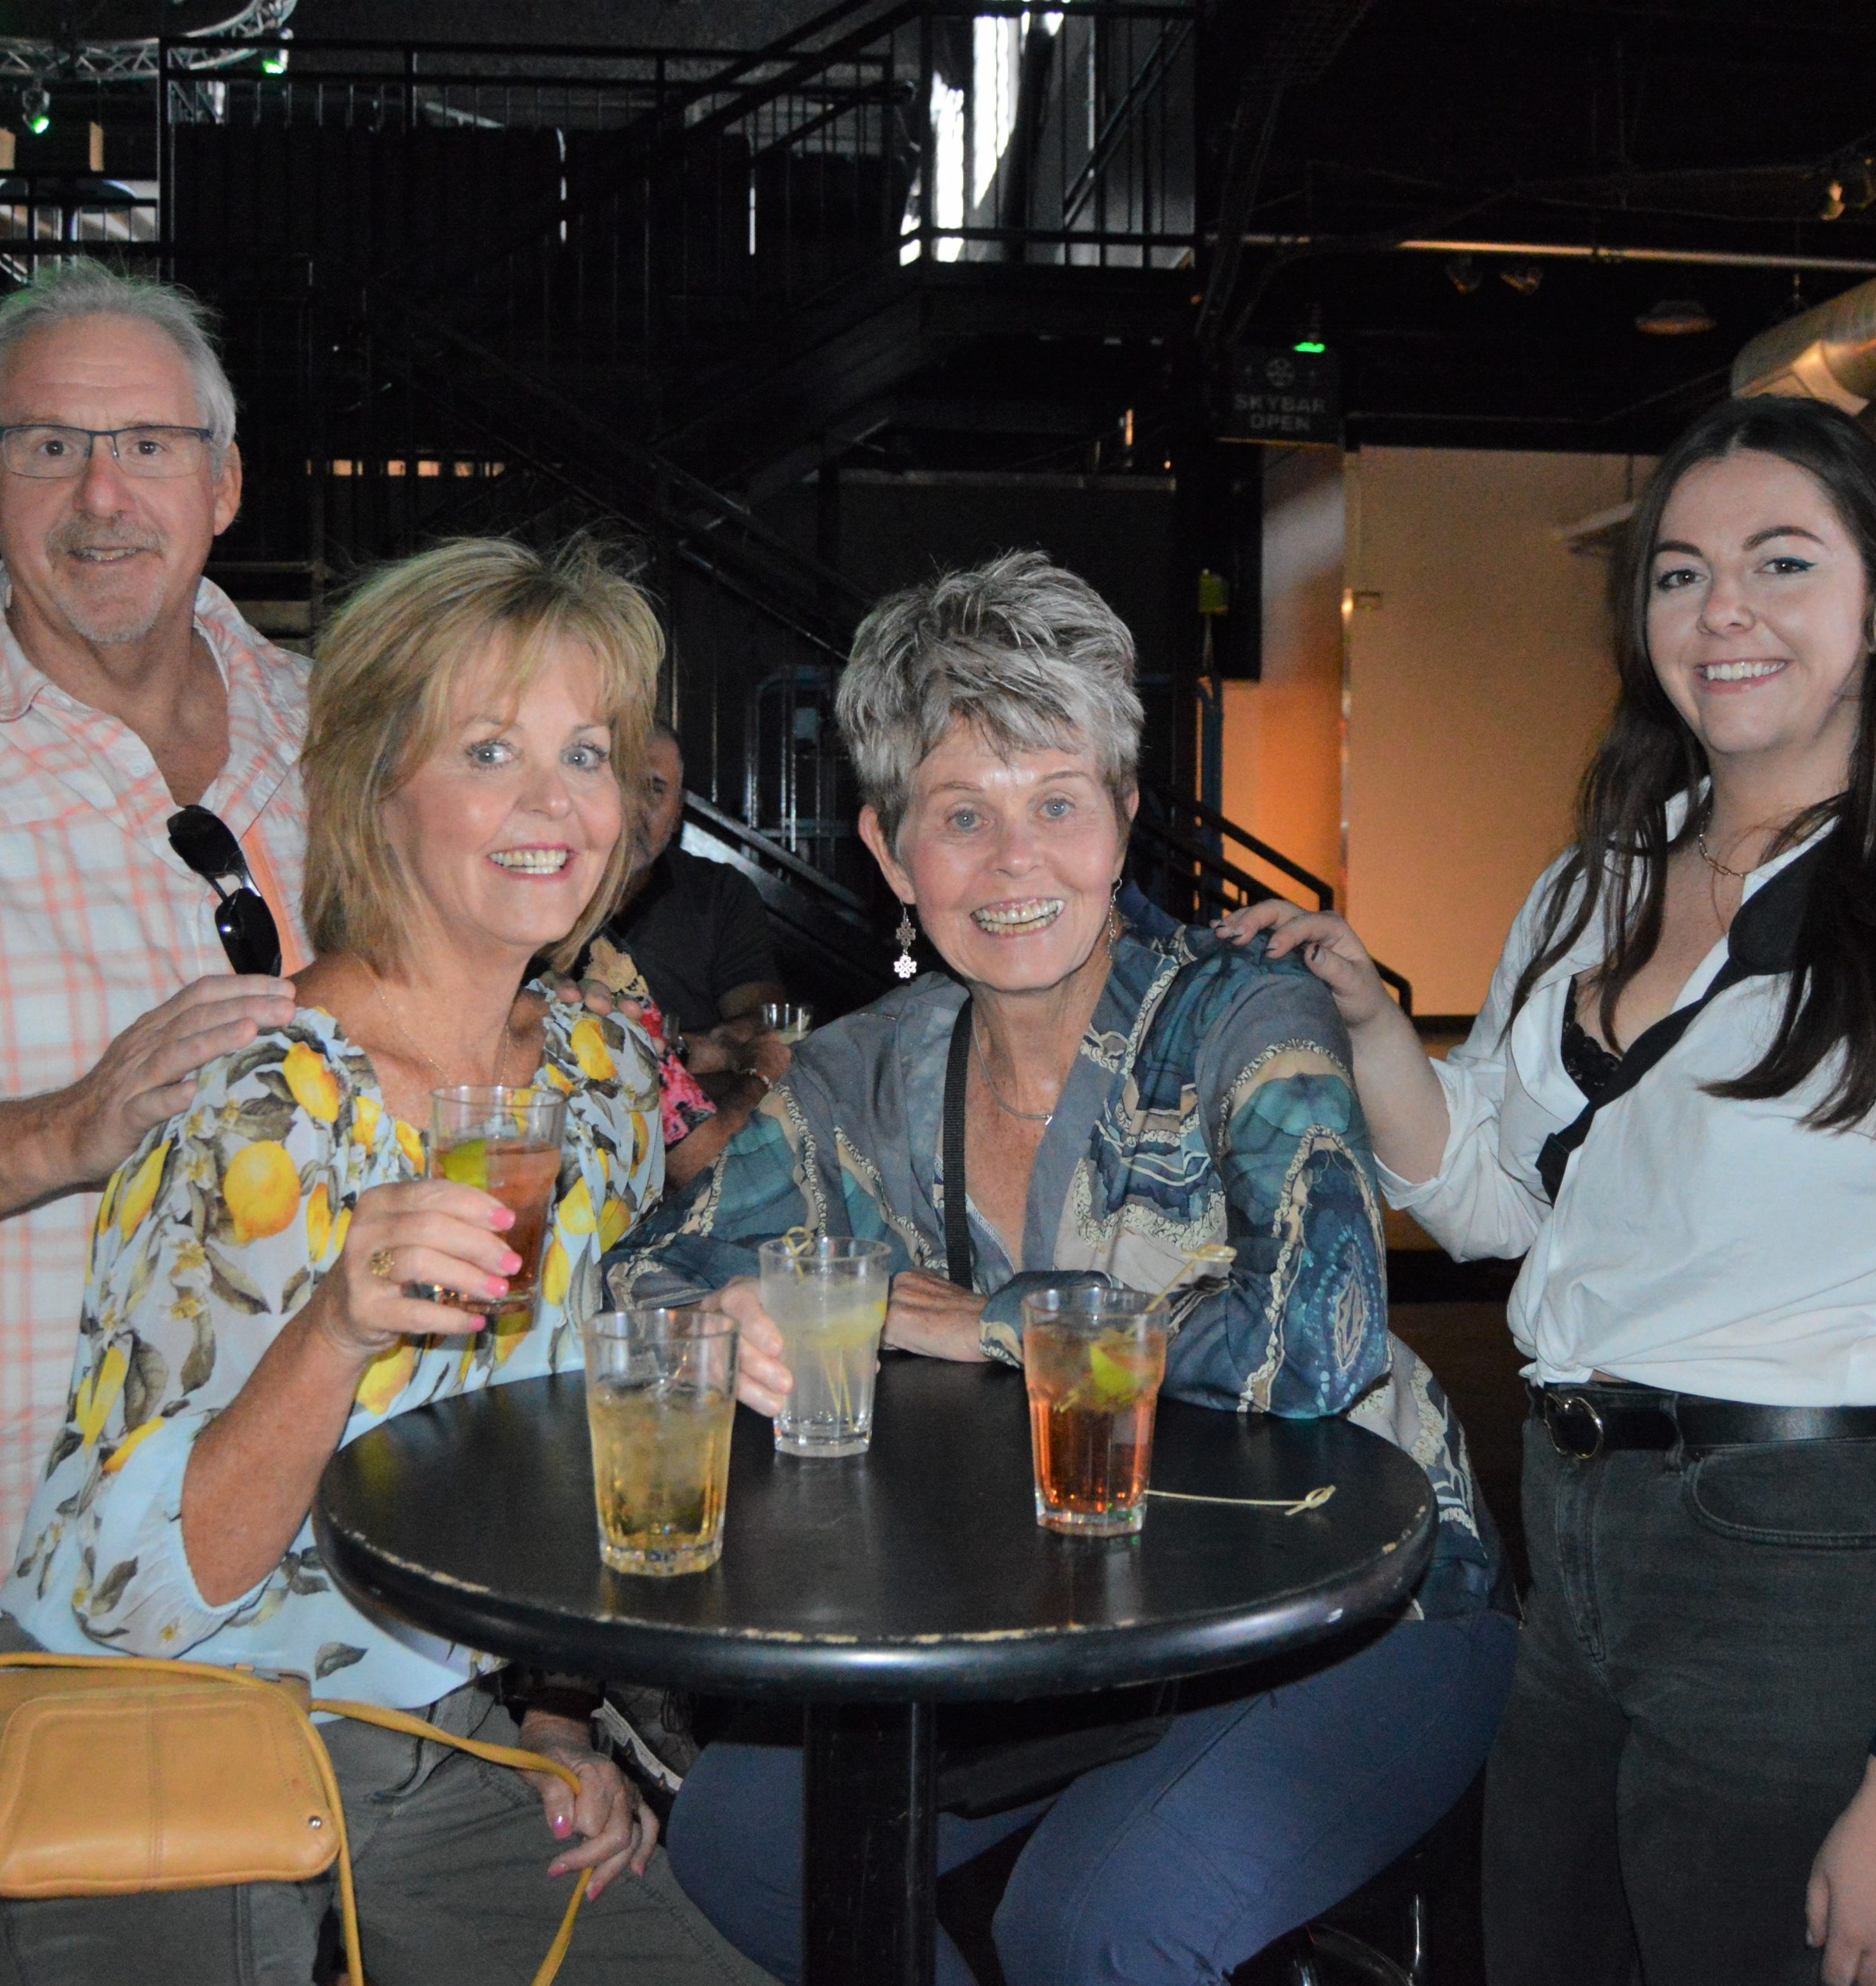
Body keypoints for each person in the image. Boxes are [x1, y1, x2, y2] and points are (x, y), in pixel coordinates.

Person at [607, 552, 1518, 1986]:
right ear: (893, 856)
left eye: (1056, 804)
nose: (1015, 861)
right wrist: (724, 1313)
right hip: (1046, 1627)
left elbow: (1320, 1336)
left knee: (1093, 1926)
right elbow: (642, 1282)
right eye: (961, 817)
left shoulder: (1241, 1018)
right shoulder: (860, 1074)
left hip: (1352, 1611)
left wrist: (990, 1326)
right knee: (741, 1842)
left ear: (1124, 821)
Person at [0, 537, 768, 1986]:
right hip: (150, 1724)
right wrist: (332, 1326)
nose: (552, 803)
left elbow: (561, 1433)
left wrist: (554, 1721)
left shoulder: (603, 1071)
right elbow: (138, 1593)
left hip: (415, 1725)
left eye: (587, 753)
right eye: (491, 748)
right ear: (380, 785)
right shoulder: (259, 1100)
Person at [1230, 396, 1876, 1986]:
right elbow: (1488, 1200)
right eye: (1676, 574)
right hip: (1573, 1520)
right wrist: (1370, 1022)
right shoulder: (1597, 878)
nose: (1719, 611)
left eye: (1776, 562)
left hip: (1800, 1560)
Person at [0, 262, 306, 1656]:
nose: (102, 497)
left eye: (149, 446)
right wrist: (67, 1133)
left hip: (310, 1566)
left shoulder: (344, 741)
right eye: (49, 448)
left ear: (223, 486)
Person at [606, 721, 788, 1087]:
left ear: (677, 814)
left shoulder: (720, 894)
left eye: (653, 789)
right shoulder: (540, 890)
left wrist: (684, 1050)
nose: (632, 808)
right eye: (618, 785)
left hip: (699, 1116)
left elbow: (761, 1022)